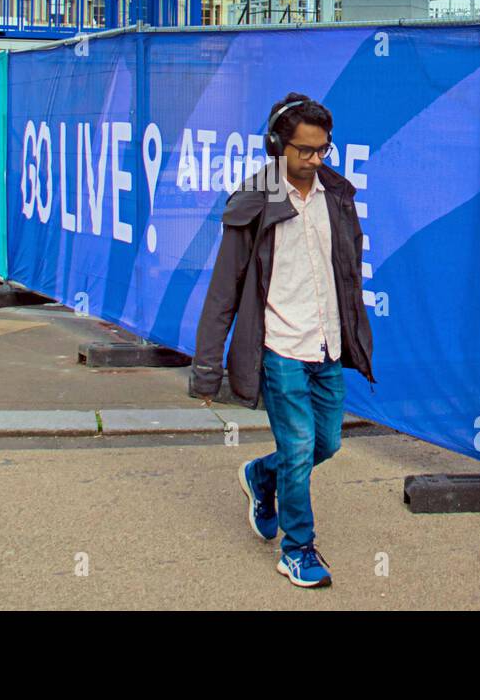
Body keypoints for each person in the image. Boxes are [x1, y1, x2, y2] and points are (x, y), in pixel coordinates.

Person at [189, 93, 376, 588]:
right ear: (276, 146)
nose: (315, 160)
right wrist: (206, 370)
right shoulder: (255, 201)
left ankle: (261, 475)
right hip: (280, 348)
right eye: (304, 150)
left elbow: (347, 274)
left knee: (326, 443)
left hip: (326, 345)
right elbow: (224, 290)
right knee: (298, 447)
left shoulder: (336, 195)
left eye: (323, 149)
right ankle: (297, 549)